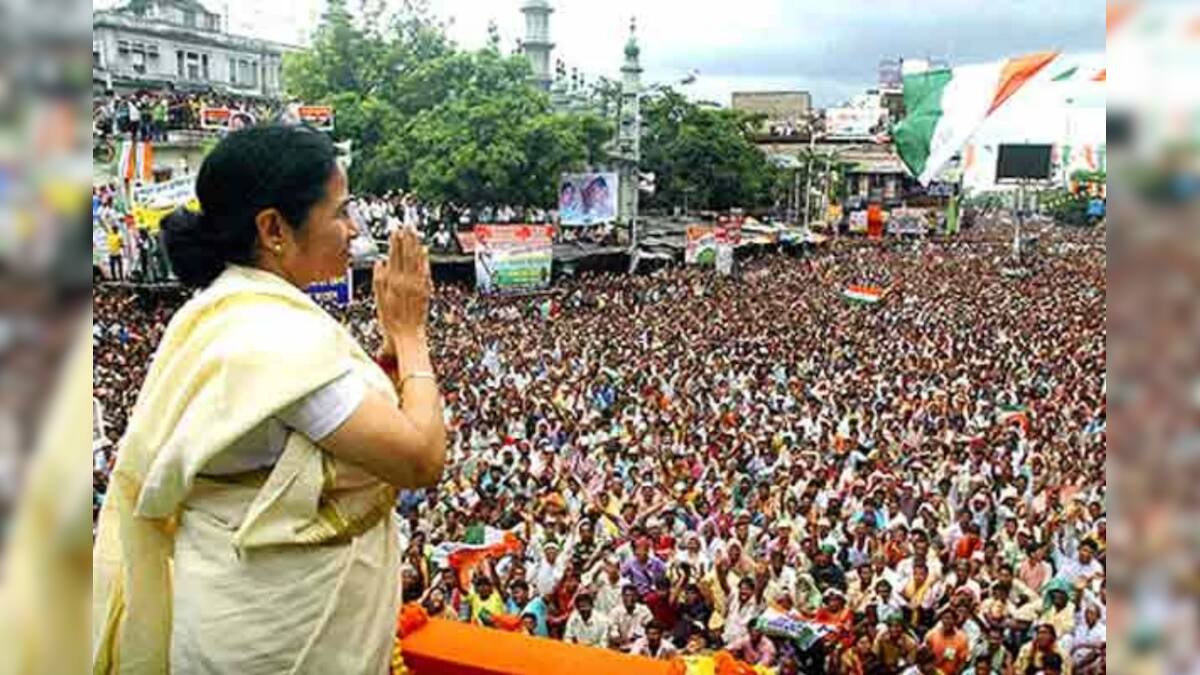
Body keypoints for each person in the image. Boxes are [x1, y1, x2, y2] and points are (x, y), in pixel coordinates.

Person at [93, 125, 448, 674]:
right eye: (340, 212)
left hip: (236, 620)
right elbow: (420, 459)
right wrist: (410, 334)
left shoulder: (223, 310)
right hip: (282, 645)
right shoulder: (272, 335)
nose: (353, 229)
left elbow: (302, 431)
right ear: (274, 229)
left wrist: (384, 366)